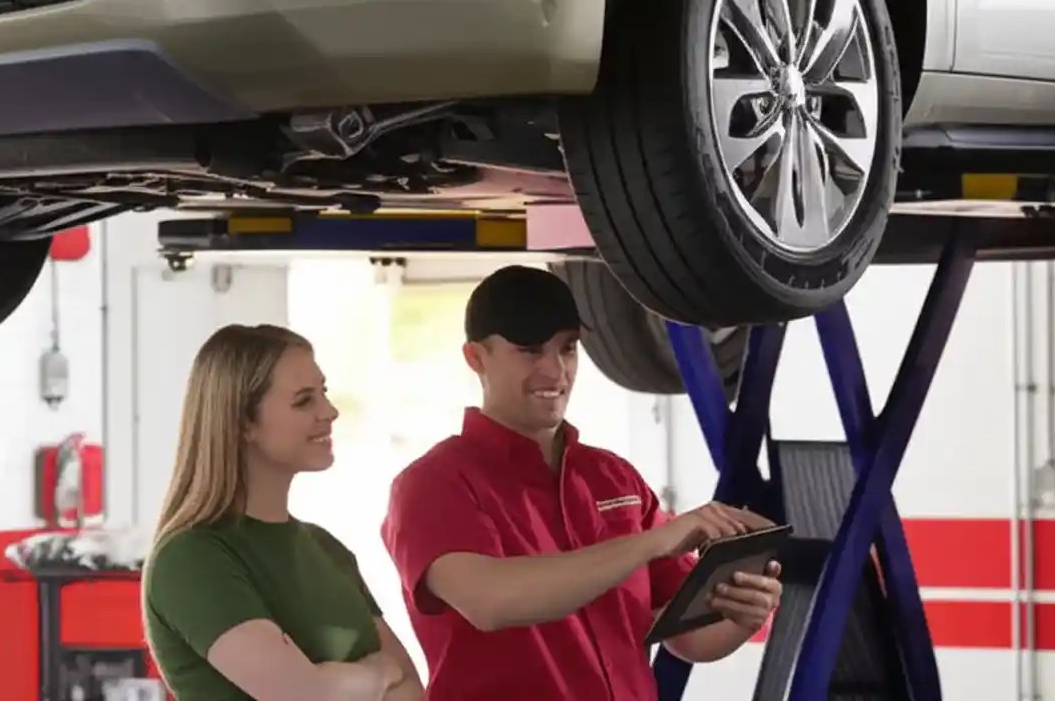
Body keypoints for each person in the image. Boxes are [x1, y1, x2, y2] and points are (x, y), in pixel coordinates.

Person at [380, 265, 783, 701]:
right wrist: (651, 542)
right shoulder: (432, 484)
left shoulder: (613, 477)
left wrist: (741, 614)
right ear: (476, 358)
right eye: (530, 351)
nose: (556, 371)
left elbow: (685, 639)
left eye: (567, 348)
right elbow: (491, 602)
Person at [142, 323, 425, 701]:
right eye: (304, 400)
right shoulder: (192, 557)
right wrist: (375, 676)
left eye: (323, 392)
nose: (330, 411)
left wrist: (333, 682)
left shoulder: (326, 548)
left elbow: (412, 689)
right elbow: (302, 696)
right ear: (244, 422)